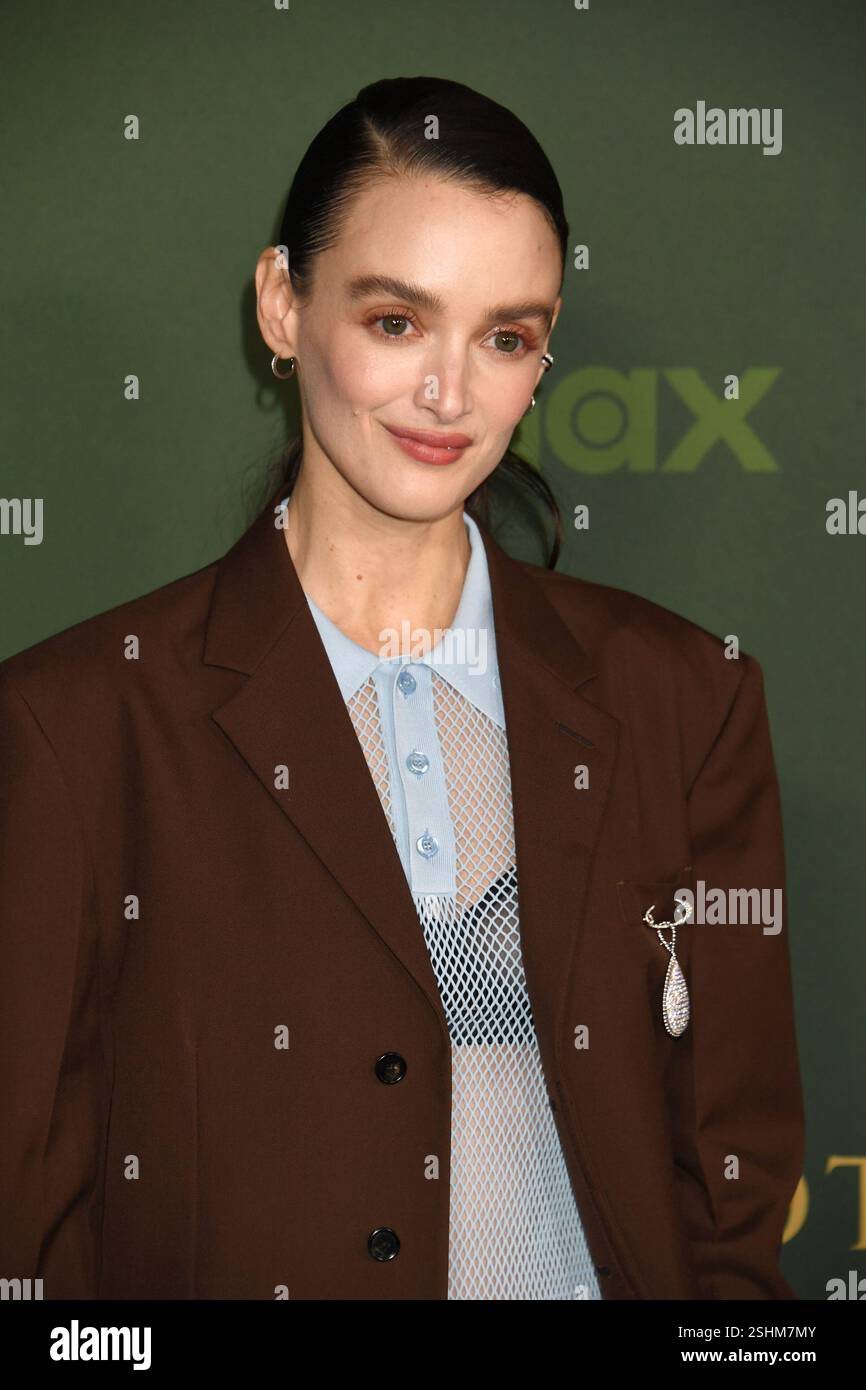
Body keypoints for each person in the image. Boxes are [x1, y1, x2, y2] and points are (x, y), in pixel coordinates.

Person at [0, 75, 803, 1300]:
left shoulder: (682, 701)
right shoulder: (79, 724)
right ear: (282, 304)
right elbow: (28, 1220)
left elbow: (731, 1187)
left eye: (504, 336)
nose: (449, 394)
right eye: (393, 321)